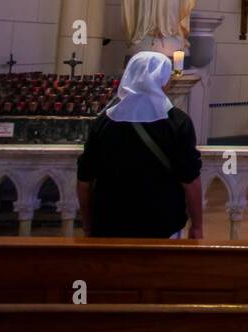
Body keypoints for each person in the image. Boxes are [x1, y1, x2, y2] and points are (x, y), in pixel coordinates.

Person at [77, 51, 203, 239]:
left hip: (109, 223)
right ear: (161, 80)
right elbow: (190, 180)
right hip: (161, 223)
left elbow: (84, 181)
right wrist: (197, 226)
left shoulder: (104, 121)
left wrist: (88, 224)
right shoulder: (177, 122)